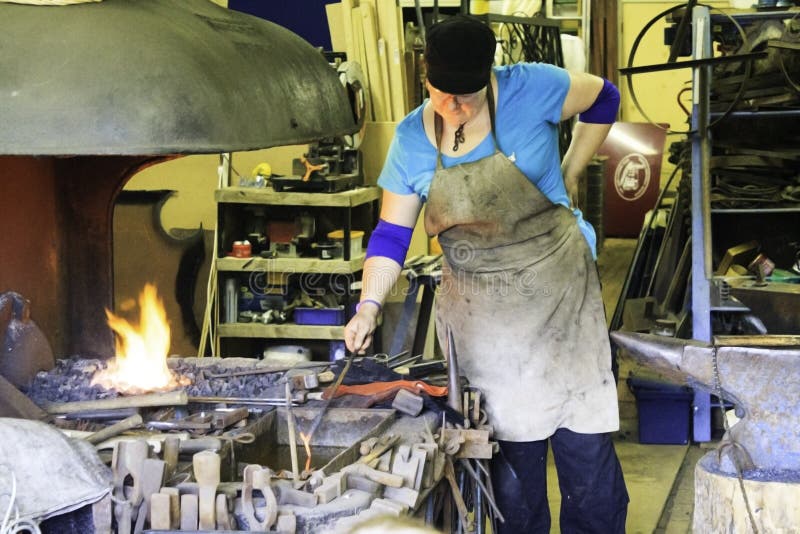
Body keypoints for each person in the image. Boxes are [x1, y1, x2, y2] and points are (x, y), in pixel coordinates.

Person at [344, 14, 628, 533]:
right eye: (443, 94)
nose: (455, 107)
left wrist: (571, 168)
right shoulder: (410, 142)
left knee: (586, 458)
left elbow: (604, 98)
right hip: (484, 319)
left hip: (562, 299)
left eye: (468, 95)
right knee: (512, 481)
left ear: (489, 75)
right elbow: (390, 237)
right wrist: (368, 306)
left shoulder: (532, 87)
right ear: (425, 78)